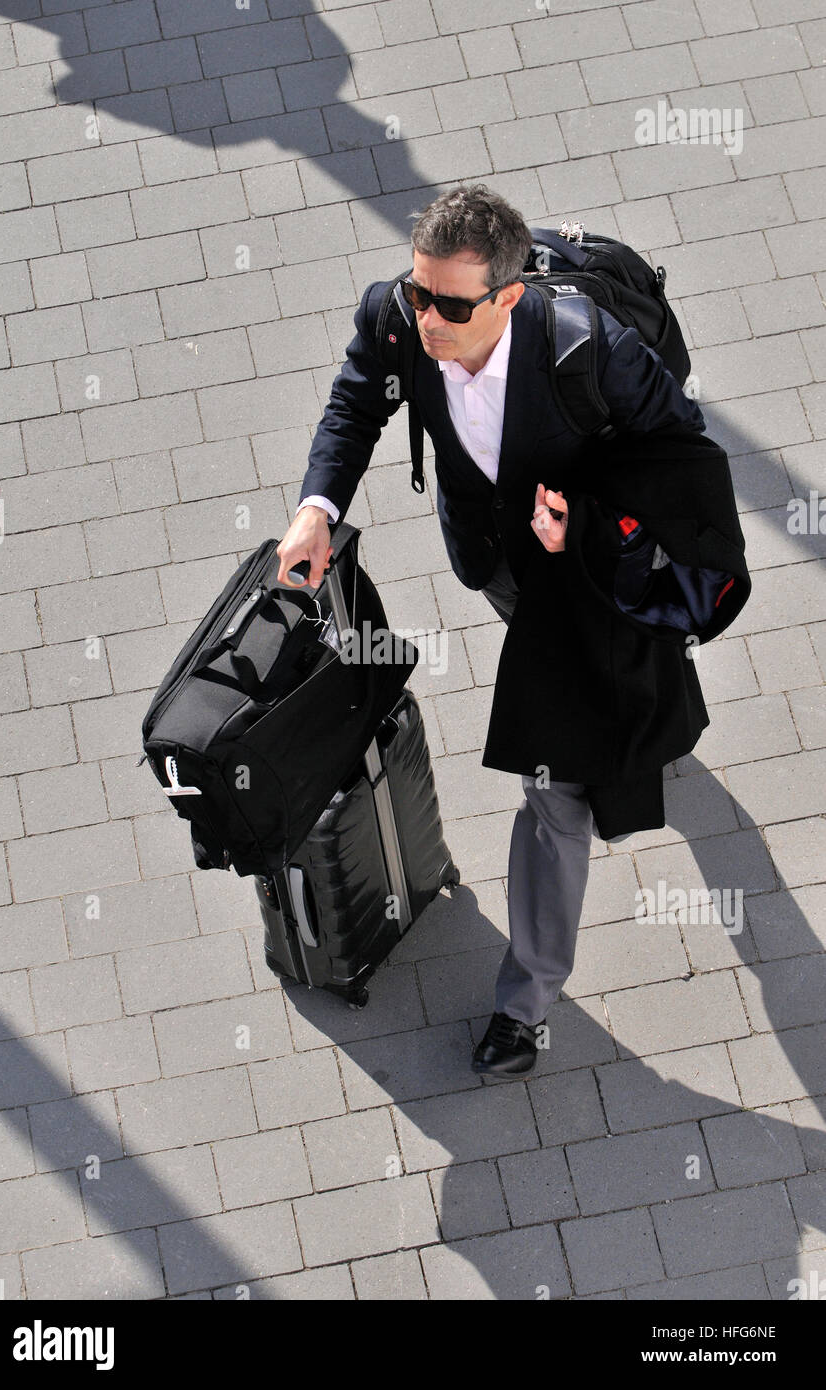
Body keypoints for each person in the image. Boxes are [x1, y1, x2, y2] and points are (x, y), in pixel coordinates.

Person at [274, 183, 734, 1078]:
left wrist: (594, 531)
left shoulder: (588, 351)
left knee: (553, 787)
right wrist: (317, 506)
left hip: (591, 580)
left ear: (509, 296)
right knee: (583, 737)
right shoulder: (400, 317)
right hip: (500, 569)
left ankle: (523, 1007)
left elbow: (680, 453)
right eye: (418, 292)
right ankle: (642, 711)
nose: (427, 318)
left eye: (451, 304)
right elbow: (357, 398)